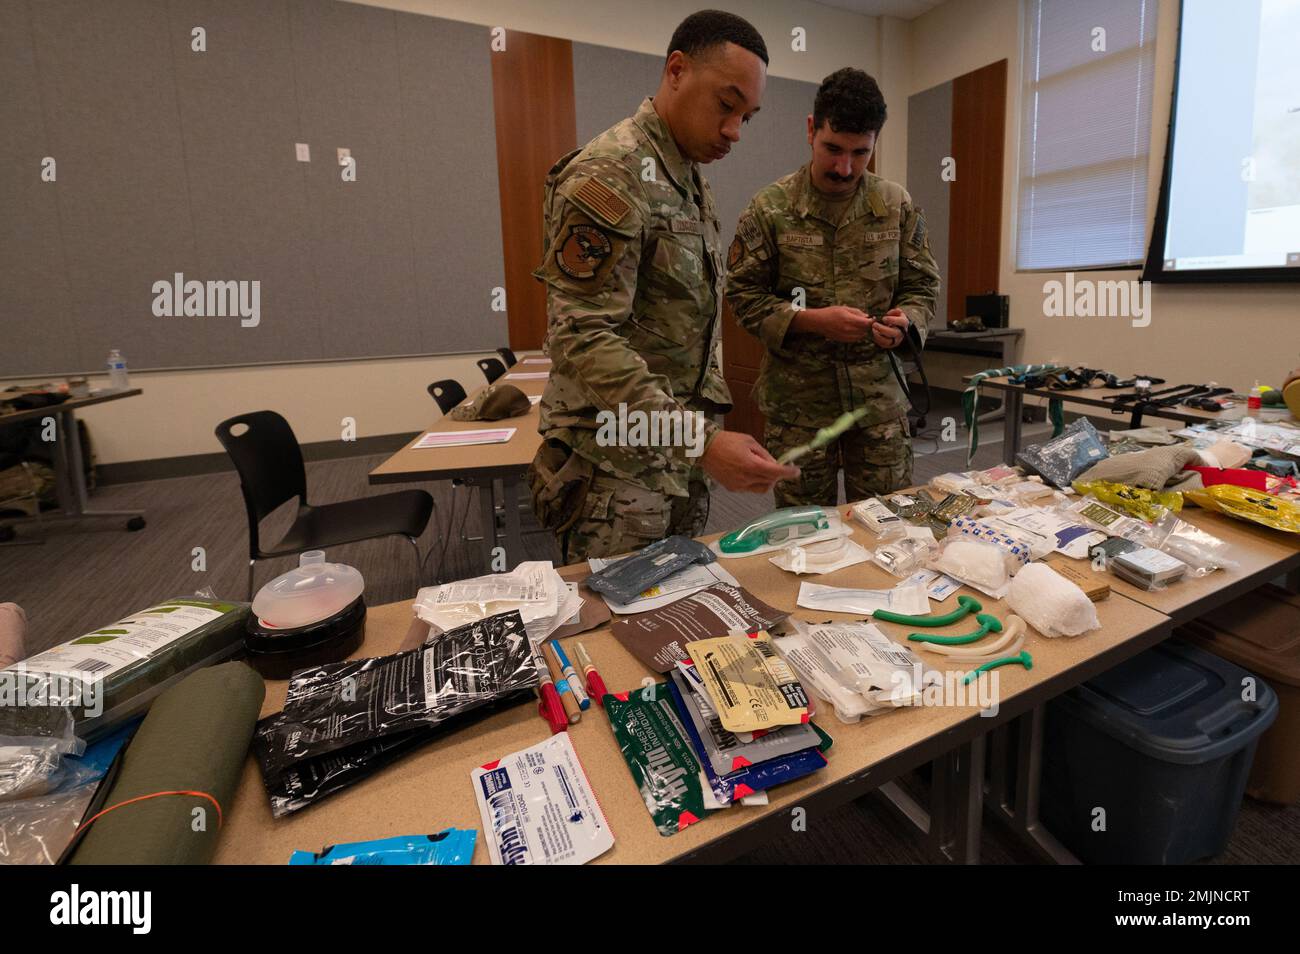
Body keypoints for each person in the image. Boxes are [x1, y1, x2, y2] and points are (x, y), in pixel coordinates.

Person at [527, 10, 798, 562]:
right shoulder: (609, 175)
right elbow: (582, 338)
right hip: (615, 469)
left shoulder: (687, 176)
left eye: (748, 116)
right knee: (612, 633)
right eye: (726, 105)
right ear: (677, 70)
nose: (734, 131)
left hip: (672, 457)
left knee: (673, 621)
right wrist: (700, 442)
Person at [726, 67, 940, 508]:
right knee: (802, 531)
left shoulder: (895, 205)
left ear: (875, 142)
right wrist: (808, 320)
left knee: (888, 522)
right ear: (811, 130)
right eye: (833, 149)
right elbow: (743, 296)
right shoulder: (771, 208)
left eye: (860, 153)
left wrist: (907, 324)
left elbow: (922, 286)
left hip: (877, 404)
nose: (845, 168)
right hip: (800, 405)